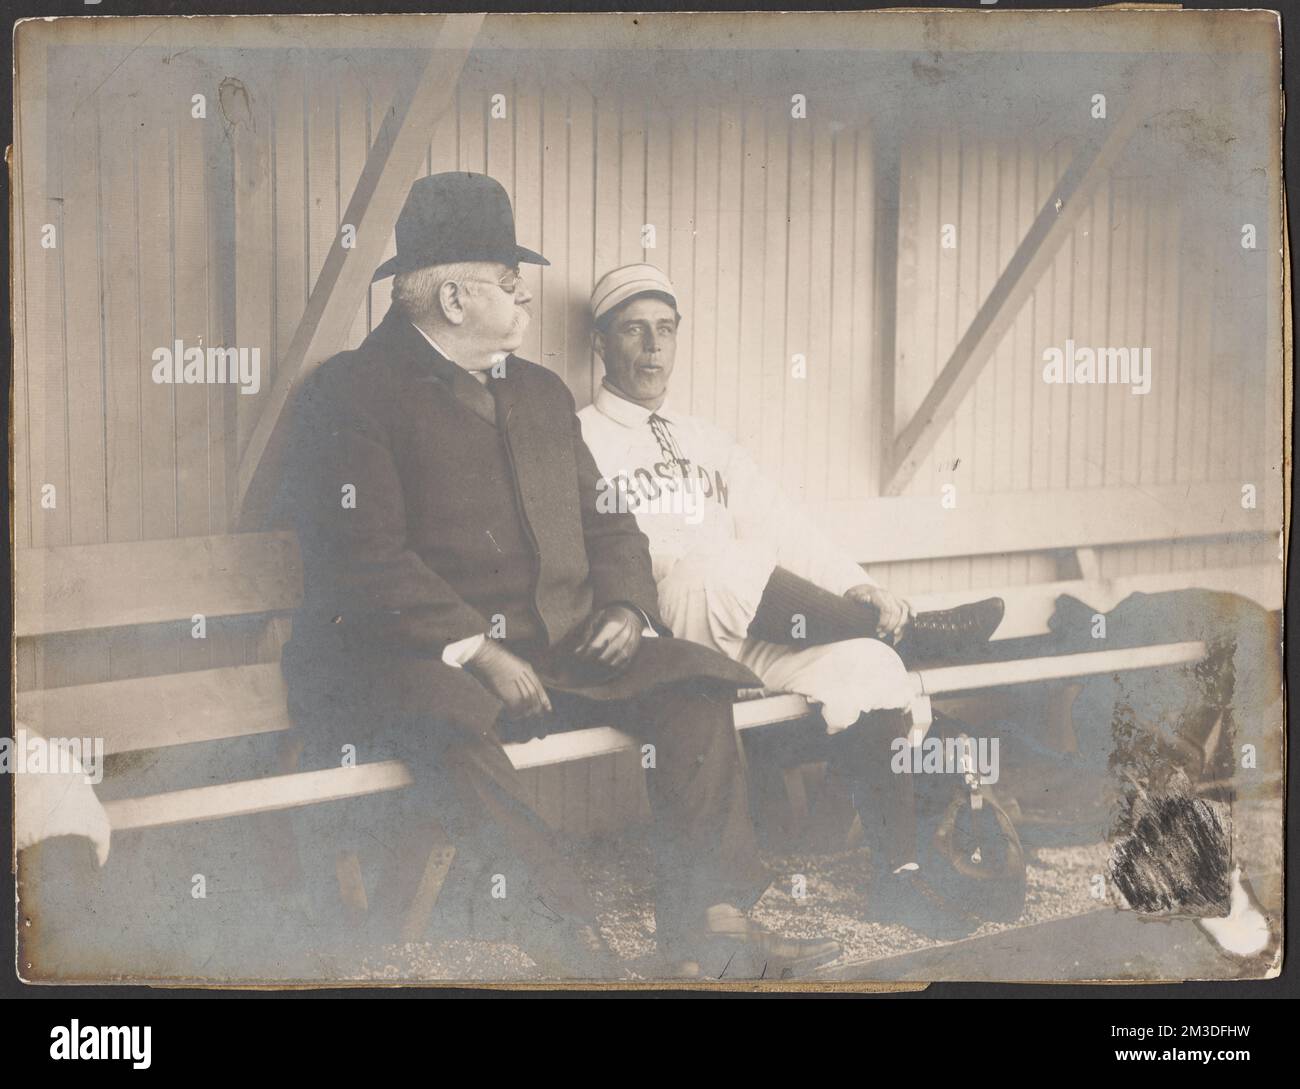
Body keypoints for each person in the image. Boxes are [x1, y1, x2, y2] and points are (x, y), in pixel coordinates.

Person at [275, 174, 840, 978]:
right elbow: (364, 559)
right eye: (513, 285)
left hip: (557, 649)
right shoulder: (353, 393)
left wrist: (622, 605)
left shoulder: (538, 394)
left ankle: (710, 926)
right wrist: (475, 647)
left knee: (695, 679)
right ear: (457, 298)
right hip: (404, 664)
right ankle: (581, 952)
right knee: (452, 723)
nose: (526, 303)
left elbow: (610, 520)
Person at [578, 263, 1006, 933]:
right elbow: (600, 552)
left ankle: (897, 875)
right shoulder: (582, 438)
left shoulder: (705, 437)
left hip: (745, 623)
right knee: (711, 563)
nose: (653, 349)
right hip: (669, 635)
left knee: (869, 665)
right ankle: (910, 630)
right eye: (633, 331)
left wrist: (858, 584)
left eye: (665, 331)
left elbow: (783, 525)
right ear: (600, 343)